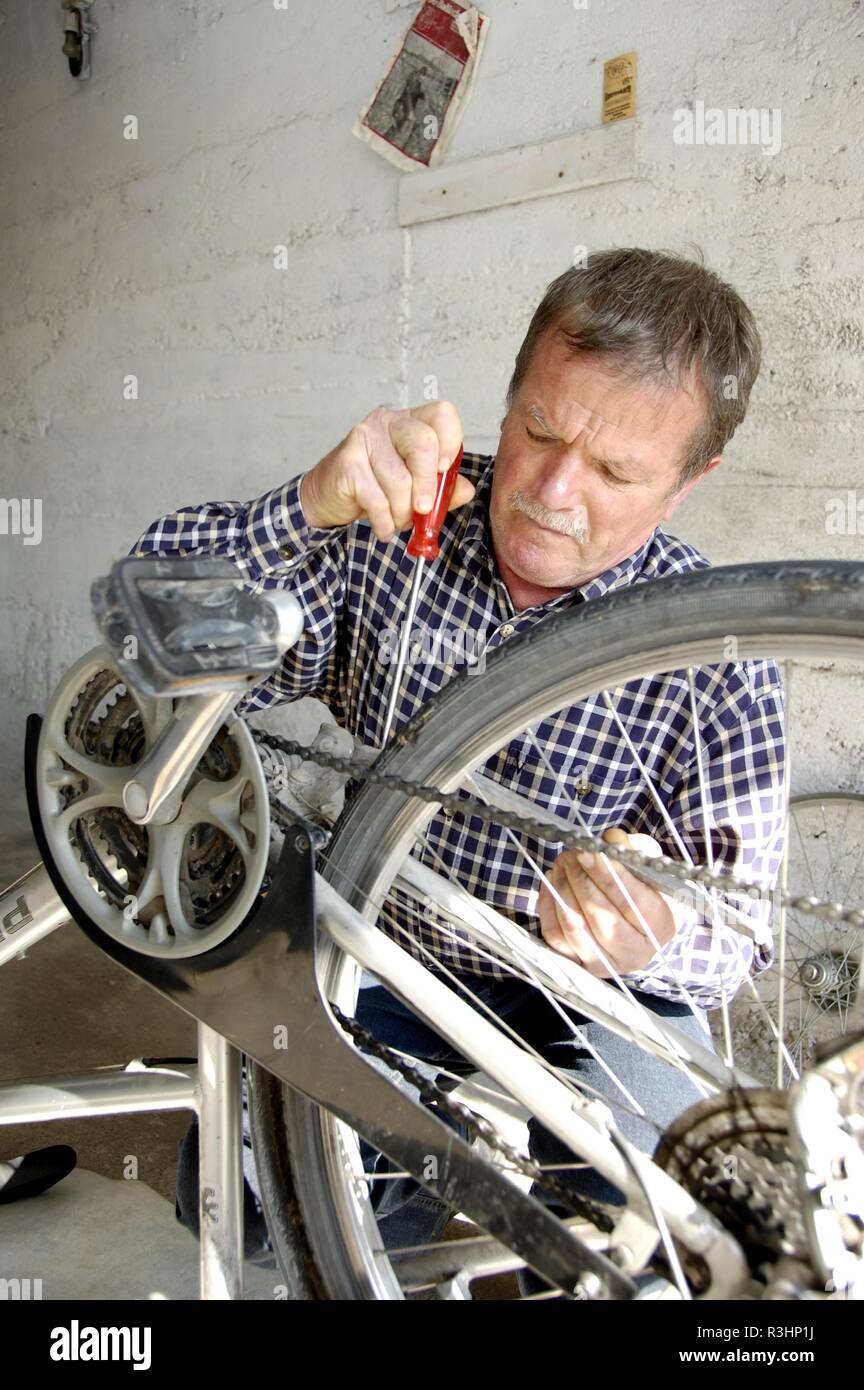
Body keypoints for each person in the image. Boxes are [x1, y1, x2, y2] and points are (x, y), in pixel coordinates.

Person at [129, 247, 786, 1293]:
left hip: (591, 1000)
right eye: (538, 431)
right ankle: (413, 1173)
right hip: (387, 966)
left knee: (671, 1242)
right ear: (511, 390)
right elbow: (146, 625)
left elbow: (740, 931)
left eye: (615, 473)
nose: (553, 494)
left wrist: (651, 928)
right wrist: (305, 504)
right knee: (242, 1202)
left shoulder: (716, 646)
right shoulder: (403, 521)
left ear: (687, 482)